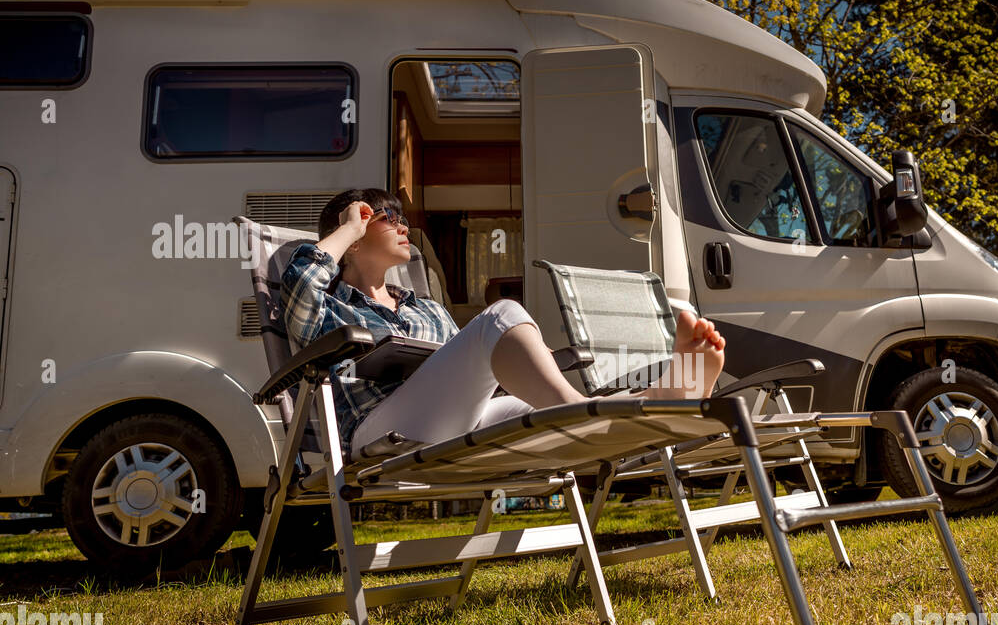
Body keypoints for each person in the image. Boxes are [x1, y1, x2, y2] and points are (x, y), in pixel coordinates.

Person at [280, 187, 726, 456]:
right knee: (503, 315)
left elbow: (470, 373)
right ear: (354, 241)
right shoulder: (330, 306)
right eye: (386, 217)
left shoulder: (425, 308)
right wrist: (347, 229)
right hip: (381, 430)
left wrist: (529, 360)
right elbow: (298, 285)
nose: (403, 225)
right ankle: (578, 409)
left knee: (539, 410)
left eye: (403, 217)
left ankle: (669, 393)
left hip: (457, 418)